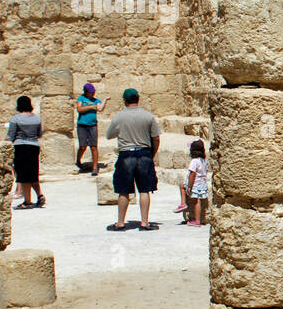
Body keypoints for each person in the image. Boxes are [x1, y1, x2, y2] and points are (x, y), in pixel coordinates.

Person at [105, 88, 161, 232]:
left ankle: (120, 223)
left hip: (126, 154)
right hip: (144, 153)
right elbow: (156, 138)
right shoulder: (148, 116)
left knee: (123, 191)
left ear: (124, 100)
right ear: (138, 98)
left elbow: (109, 135)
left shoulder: (119, 117)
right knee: (144, 189)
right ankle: (144, 222)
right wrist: (151, 153)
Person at [6, 95, 45, 209]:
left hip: (20, 147)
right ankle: (40, 195)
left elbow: (11, 135)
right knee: (33, 173)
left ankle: (27, 201)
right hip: (34, 146)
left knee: (23, 175)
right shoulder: (36, 118)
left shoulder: (16, 119)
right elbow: (39, 134)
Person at [74, 83, 108, 175]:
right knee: (83, 146)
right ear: (86, 92)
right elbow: (79, 109)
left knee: (93, 147)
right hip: (82, 125)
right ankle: (78, 160)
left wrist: (104, 101)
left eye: (93, 92)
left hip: (92, 125)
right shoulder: (81, 98)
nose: (93, 94)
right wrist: (91, 107)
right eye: (91, 92)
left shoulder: (96, 100)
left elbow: (100, 109)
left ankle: (95, 167)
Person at [174, 139, 210, 225]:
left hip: (195, 184)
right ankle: (196, 219)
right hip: (202, 184)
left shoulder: (194, 161)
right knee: (198, 201)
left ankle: (184, 205)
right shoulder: (204, 161)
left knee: (183, 186)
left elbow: (192, 174)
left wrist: (189, 186)